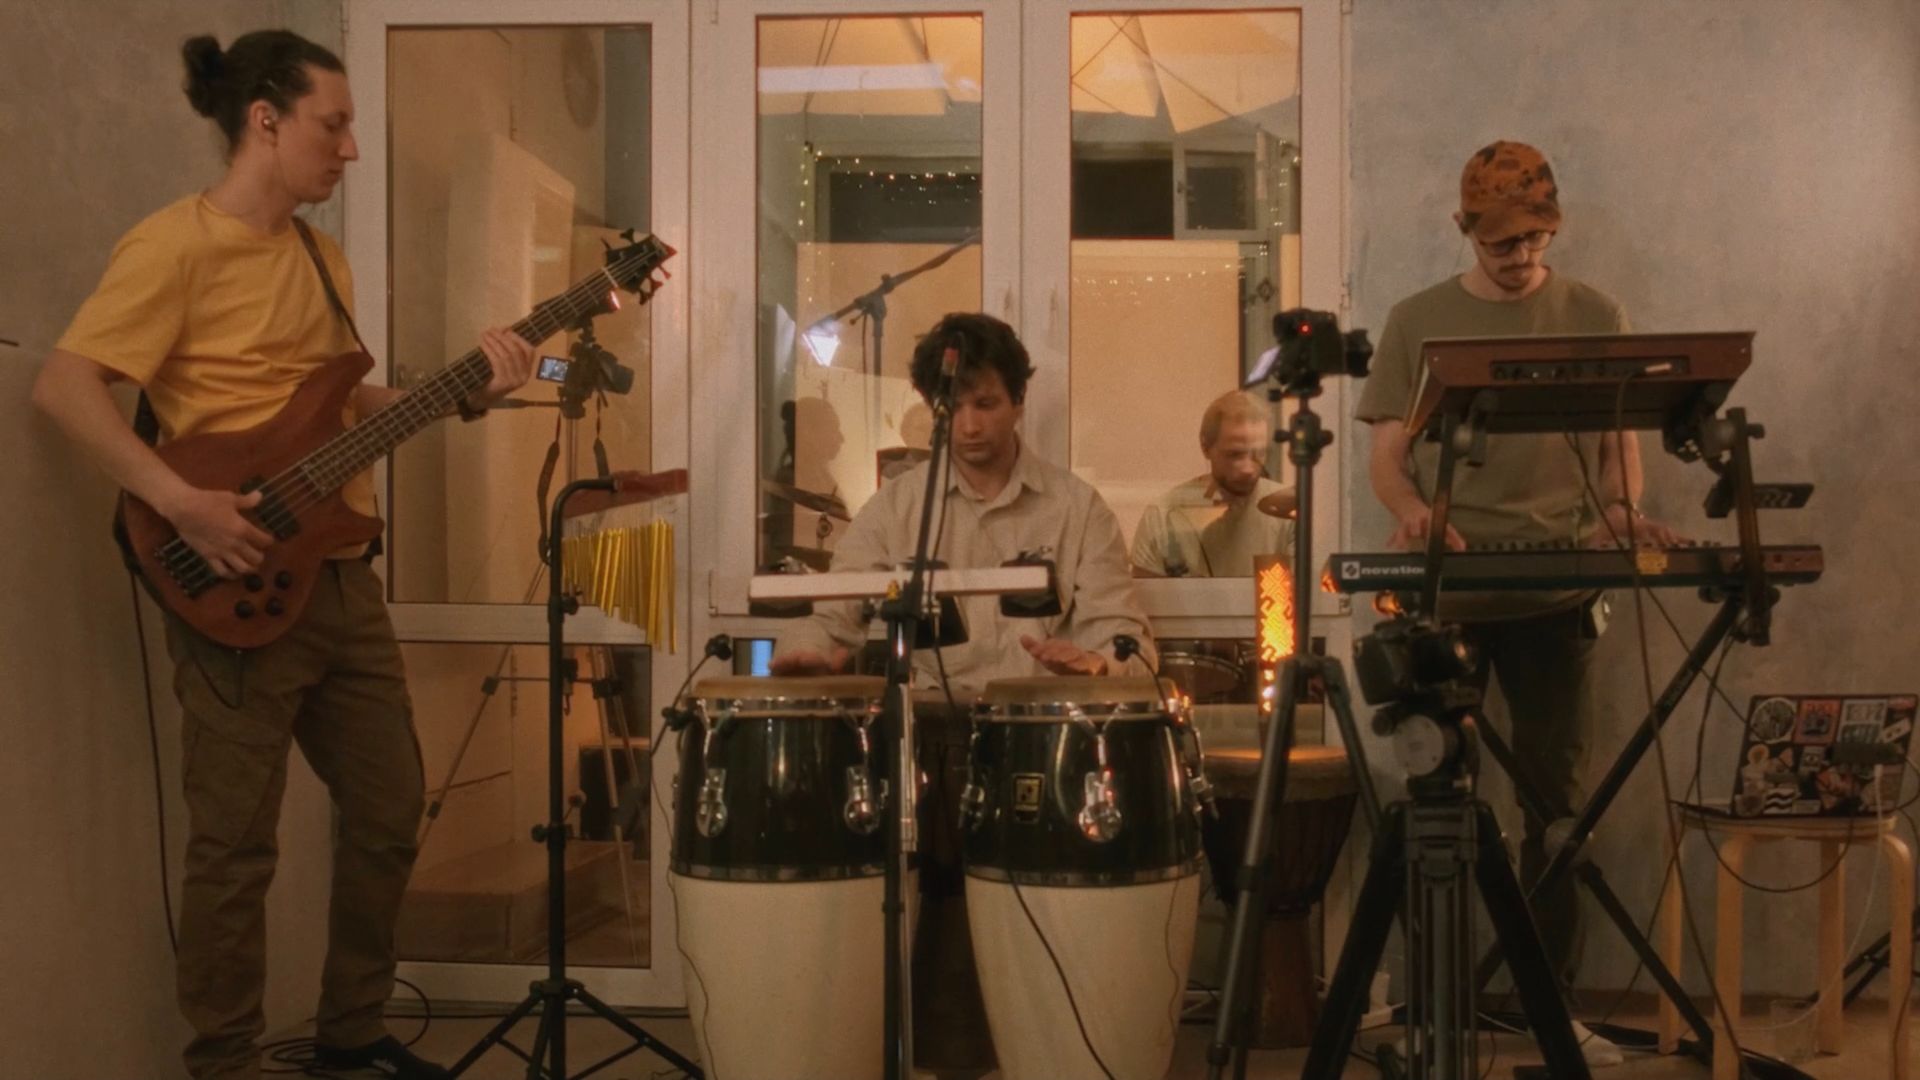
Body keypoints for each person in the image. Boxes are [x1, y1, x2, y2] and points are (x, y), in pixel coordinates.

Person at [31, 31, 535, 1080]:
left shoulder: (320, 256)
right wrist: (183, 503)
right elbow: (65, 387)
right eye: (333, 124)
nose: (349, 148)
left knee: (390, 808)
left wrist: (468, 391)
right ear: (265, 119)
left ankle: (350, 1035)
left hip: (340, 579)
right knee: (235, 844)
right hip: (233, 583)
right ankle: (224, 1062)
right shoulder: (172, 247)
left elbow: (339, 405)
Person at [1354, 139, 1684, 1068]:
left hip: (1556, 588)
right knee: (1436, 797)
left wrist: (1620, 513)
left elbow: (1619, 446)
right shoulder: (1418, 320)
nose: (1520, 255)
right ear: (1464, 229)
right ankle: (1434, 1008)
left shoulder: (1594, 313)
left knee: (1559, 807)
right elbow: (1386, 456)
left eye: (1535, 237)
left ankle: (1553, 1010)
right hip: (1451, 585)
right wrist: (1413, 511)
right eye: (1501, 241)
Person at [771, 311, 1154, 688]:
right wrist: (808, 650)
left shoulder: (1079, 507)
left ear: (1018, 402)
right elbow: (833, 611)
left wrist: (1097, 663)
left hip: (1044, 718)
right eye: (952, 408)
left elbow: (1125, 639)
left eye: (985, 405)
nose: (969, 426)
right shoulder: (895, 507)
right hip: (932, 717)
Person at [1130, 388, 1296, 578]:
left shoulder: (1291, 513)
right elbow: (1144, 594)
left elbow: (1304, 592)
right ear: (1205, 446)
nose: (1248, 469)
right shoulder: (1162, 516)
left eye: (1259, 453)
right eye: (1234, 454)